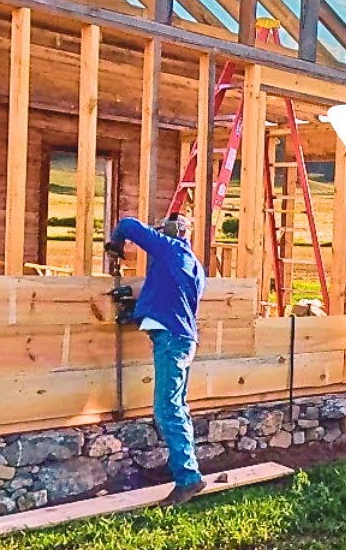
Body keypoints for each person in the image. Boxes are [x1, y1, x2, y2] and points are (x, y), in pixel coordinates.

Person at [105, 212, 207, 505]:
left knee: (167, 409)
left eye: (163, 229)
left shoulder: (169, 247)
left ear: (172, 231)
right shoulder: (194, 266)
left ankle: (188, 478)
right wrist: (138, 312)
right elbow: (171, 302)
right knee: (177, 405)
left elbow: (126, 223)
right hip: (183, 339)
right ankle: (184, 466)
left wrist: (116, 244)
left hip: (172, 341)